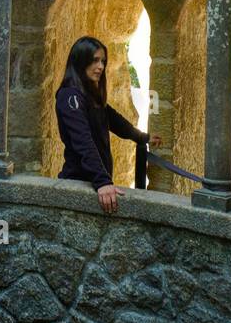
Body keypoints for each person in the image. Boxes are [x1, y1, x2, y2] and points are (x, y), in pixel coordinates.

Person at [55, 35, 161, 214]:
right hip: (78, 181)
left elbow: (115, 121)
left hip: (91, 182)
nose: (100, 67)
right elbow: (83, 140)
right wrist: (102, 181)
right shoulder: (70, 96)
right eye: (95, 60)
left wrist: (142, 137)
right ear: (81, 60)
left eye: (103, 61)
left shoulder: (89, 95)